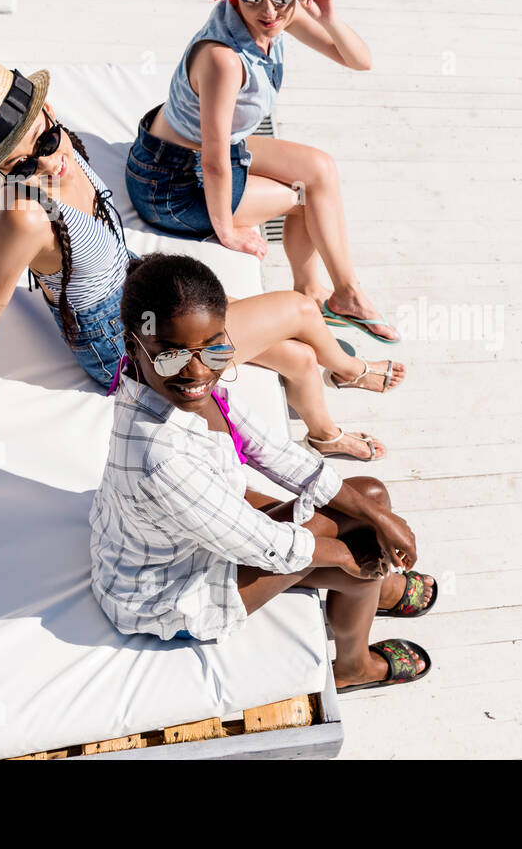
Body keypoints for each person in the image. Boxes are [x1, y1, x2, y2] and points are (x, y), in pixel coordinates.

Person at [0, 60, 401, 461]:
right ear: (3, 170)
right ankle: (353, 372)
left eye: (47, 141)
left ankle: (323, 437)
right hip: (128, 353)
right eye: (22, 165)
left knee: (302, 359)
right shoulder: (21, 217)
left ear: (50, 115)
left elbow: (52, 251)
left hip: (143, 286)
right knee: (303, 312)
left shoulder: (65, 150)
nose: (48, 163)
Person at [93, 252, 434, 692]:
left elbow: (276, 453)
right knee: (363, 542)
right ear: (134, 344)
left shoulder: (179, 388)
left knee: (369, 503)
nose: (198, 372)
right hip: (169, 593)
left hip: (196, 533)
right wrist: (353, 556)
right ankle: (355, 664)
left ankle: (377, 586)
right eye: (172, 356)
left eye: (215, 348)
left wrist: (380, 519)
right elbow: (267, 546)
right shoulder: (158, 455)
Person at [126, 0, 400, 344]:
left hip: (202, 151)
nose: (268, 10)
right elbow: (216, 163)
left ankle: (339, 293)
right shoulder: (224, 59)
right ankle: (317, 294)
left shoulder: (277, 18)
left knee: (321, 170)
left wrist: (328, 16)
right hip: (172, 183)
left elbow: (359, 60)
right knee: (304, 198)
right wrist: (227, 232)